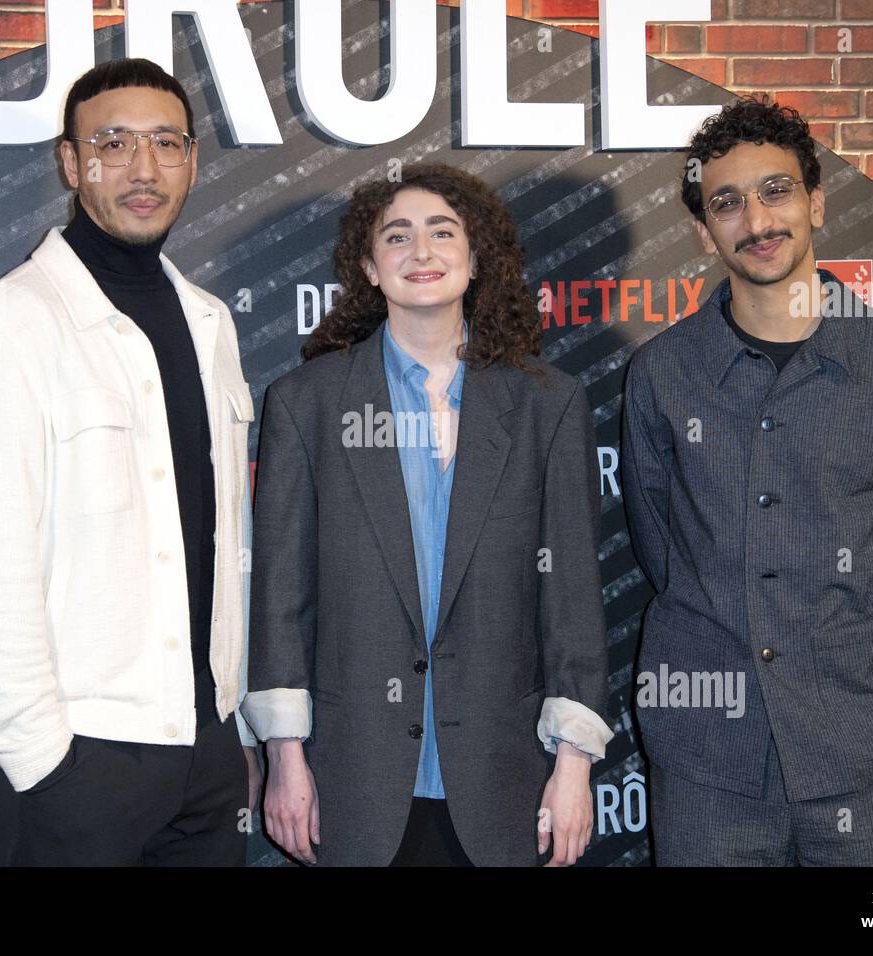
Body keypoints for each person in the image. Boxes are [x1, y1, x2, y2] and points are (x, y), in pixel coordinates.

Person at [620, 95, 873, 865]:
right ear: (702, 231)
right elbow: (661, 543)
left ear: (815, 202)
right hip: (709, 748)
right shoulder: (663, 376)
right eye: (727, 203)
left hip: (867, 742)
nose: (757, 219)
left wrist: (857, 639)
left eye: (776, 191)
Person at [0, 58, 260, 866]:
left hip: (206, 747)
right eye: (112, 143)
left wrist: (228, 724)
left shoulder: (209, 320)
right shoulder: (14, 323)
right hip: (78, 757)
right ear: (72, 164)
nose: (142, 168)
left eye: (165, 143)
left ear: (191, 160)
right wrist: (46, 760)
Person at [241, 163, 614, 867]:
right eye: (398, 236)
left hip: (507, 781)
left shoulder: (546, 404)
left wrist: (573, 766)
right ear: (369, 268)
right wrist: (286, 759)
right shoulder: (306, 404)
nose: (422, 253)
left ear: (476, 260)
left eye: (444, 233)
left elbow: (571, 602)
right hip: (354, 780)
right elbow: (282, 601)